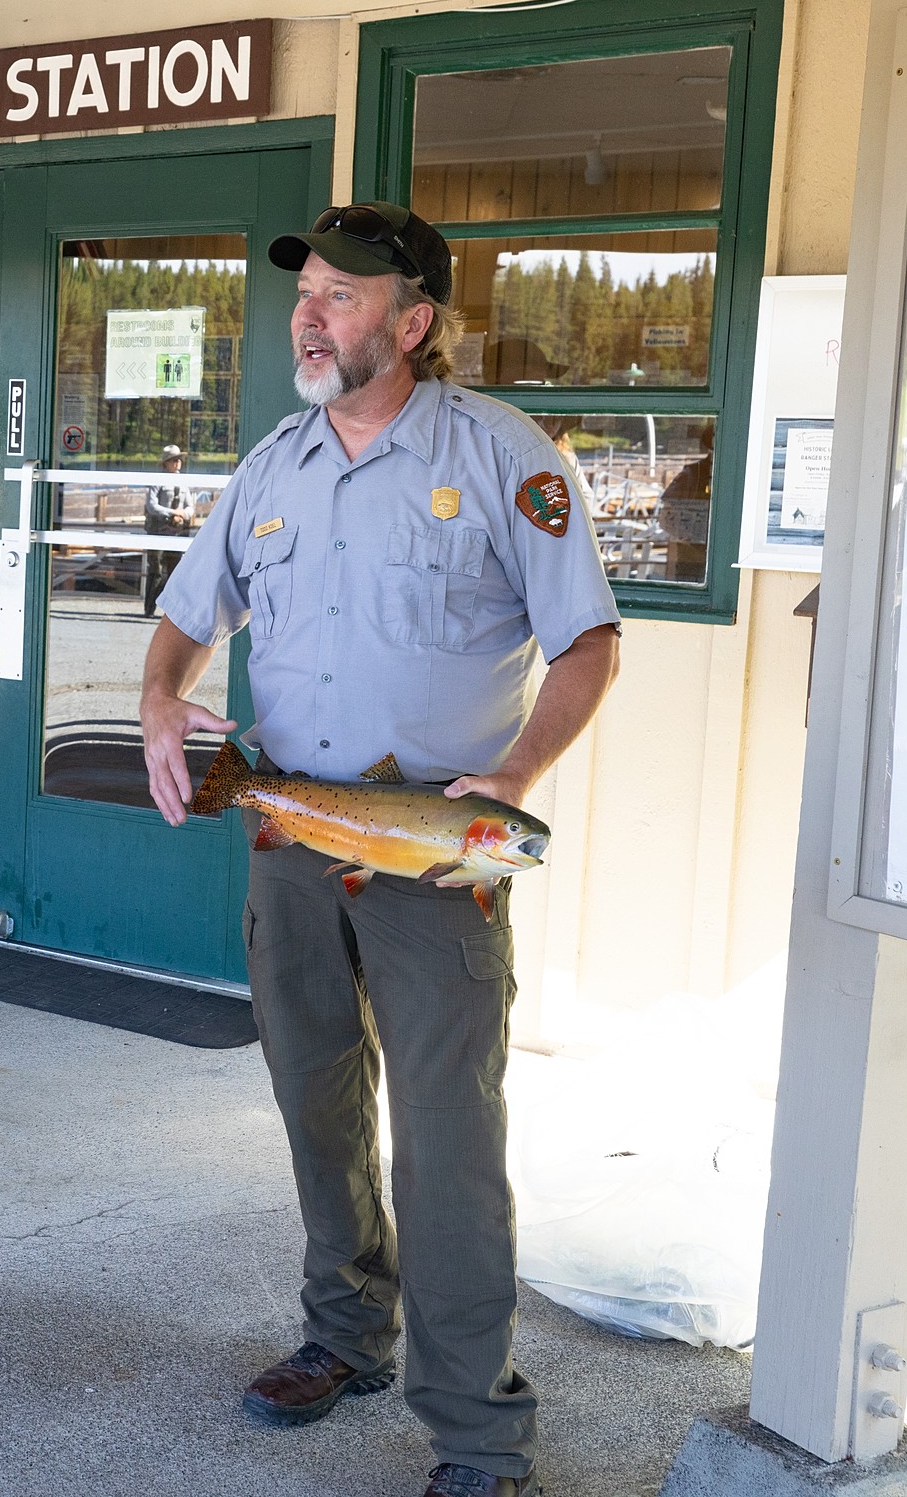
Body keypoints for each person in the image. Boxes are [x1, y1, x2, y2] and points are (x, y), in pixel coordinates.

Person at [139, 202, 622, 1497]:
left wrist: (514, 776)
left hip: (435, 849)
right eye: (305, 291)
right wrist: (158, 700)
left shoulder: (507, 457)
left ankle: (478, 1433)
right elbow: (188, 614)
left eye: (341, 296)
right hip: (293, 829)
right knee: (315, 1099)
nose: (309, 313)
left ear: (412, 324)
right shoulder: (273, 467)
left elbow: (589, 644)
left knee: (447, 1140)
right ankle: (346, 1333)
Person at [142, 442, 196, 616]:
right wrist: (172, 513)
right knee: (156, 570)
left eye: (179, 459)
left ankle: (171, 613)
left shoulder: (183, 482)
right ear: (166, 463)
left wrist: (182, 515)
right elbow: (151, 506)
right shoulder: (158, 480)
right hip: (157, 531)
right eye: (173, 460)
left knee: (175, 572)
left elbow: (190, 507)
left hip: (176, 533)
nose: (177, 462)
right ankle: (149, 609)